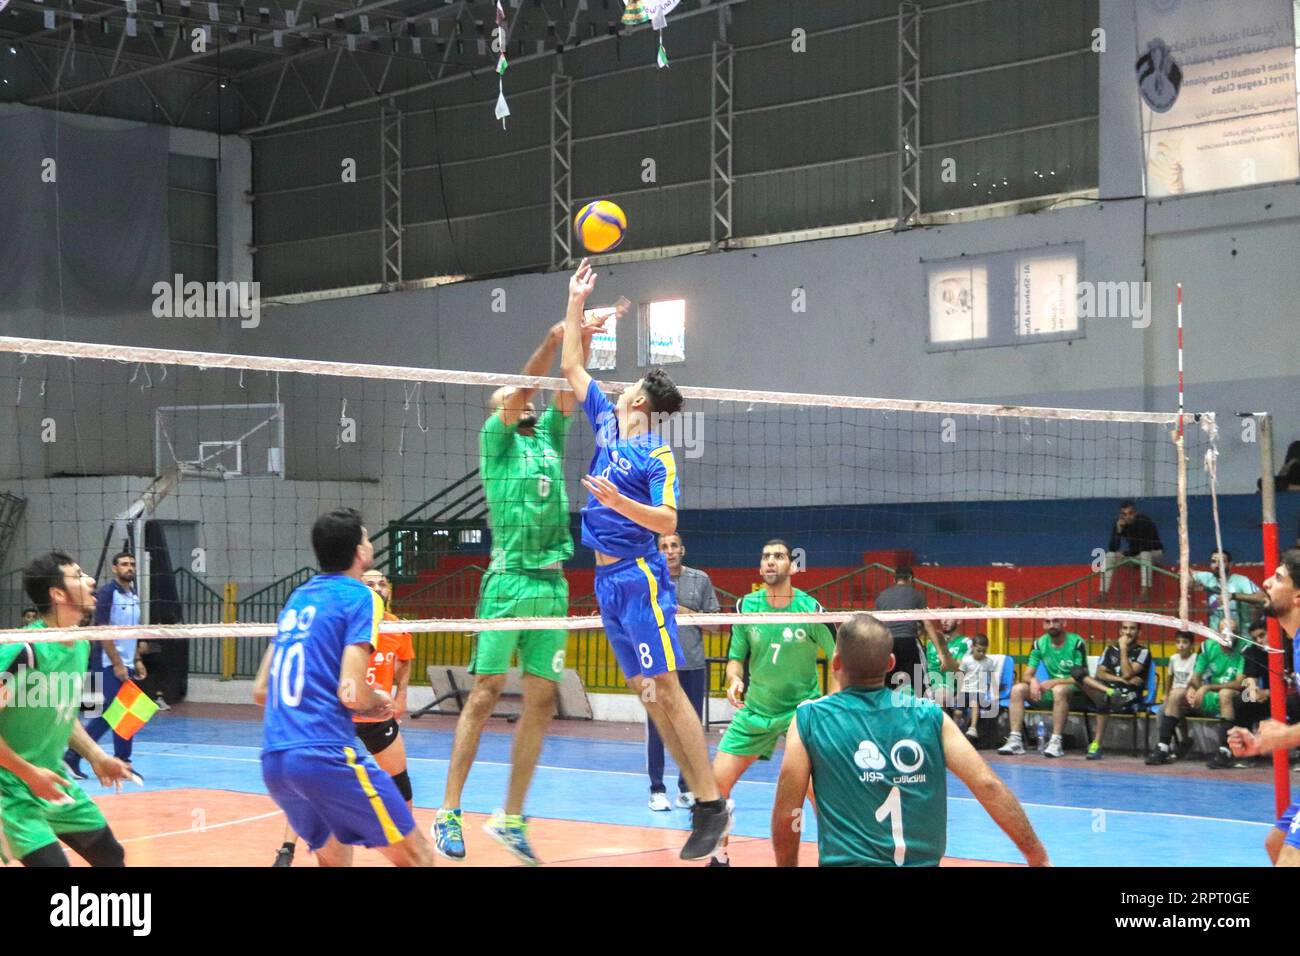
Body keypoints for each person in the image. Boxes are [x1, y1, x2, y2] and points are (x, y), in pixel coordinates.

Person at [558, 258, 731, 861]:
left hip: (639, 578)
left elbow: (668, 523)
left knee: (666, 685)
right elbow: (571, 364)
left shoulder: (657, 456)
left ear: (639, 395)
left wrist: (616, 503)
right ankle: (694, 796)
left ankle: (710, 805)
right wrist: (576, 300)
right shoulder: (603, 419)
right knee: (648, 694)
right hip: (603, 583)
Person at [433, 311, 608, 865]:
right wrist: (552, 336)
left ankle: (510, 818)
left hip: (553, 587)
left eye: (525, 399)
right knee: (483, 696)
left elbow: (563, 389)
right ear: (503, 412)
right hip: (507, 583)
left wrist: (578, 336)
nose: (525, 402)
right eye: (514, 399)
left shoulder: (550, 437)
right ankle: (450, 810)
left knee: (540, 701)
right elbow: (531, 384)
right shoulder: (496, 441)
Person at [770, 613, 1049, 867]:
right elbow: (988, 785)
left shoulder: (809, 718)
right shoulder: (930, 716)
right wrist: (1038, 856)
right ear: (891, 664)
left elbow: (787, 814)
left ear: (836, 662)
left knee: (812, 780)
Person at [255, 509, 433, 867]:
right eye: (366, 538)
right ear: (360, 553)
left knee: (335, 860)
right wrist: (378, 700)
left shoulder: (299, 597)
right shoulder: (360, 597)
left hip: (275, 760)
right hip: (322, 755)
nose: (369, 545)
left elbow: (261, 689)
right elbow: (351, 691)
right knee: (420, 857)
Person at [271, 568, 415, 868]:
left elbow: (405, 661)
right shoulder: (347, 622)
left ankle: (407, 843)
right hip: (342, 717)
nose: (377, 587)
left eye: (382, 583)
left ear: (389, 590)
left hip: (376, 718)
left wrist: (400, 695)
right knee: (312, 789)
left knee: (400, 781)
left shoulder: (396, 627)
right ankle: (286, 849)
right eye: (369, 583)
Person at [0, 551, 134, 867]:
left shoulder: (82, 644)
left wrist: (97, 756)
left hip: (52, 780)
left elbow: (64, 713)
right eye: (77, 576)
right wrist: (29, 774)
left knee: (110, 855)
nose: (90, 581)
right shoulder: (23, 650)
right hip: (9, 790)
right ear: (58, 594)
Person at [709, 539, 837, 866]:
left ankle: (837, 856)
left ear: (792, 567)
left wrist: (834, 704)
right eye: (765, 556)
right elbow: (736, 658)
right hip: (756, 712)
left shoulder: (811, 610)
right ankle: (719, 856)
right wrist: (734, 679)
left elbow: (839, 658)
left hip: (801, 715)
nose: (770, 562)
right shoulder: (745, 607)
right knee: (713, 787)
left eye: (778, 556)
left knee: (819, 795)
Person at [1226, 549, 1300, 865]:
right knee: (1276, 845)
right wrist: (1260, 742)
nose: (1267, 582)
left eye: (1279, 577)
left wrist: (1286, 737)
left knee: (1289, 858)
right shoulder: (1295, 644)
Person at [647, 532, 717, 811]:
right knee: (657, 728)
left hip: (692, 666)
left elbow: (715, 624)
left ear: (682, 550)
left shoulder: (700, 580)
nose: (669, 551)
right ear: (657, 552)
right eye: (663, 547)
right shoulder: (648, 579)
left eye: (673, 546)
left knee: (691, 730)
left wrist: (682, 610)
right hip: (658, 668)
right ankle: (656, 790)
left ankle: (687, 789)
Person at [65, 551, 147, 782]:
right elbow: (102, 630)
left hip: (127, 663)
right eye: (123, 564)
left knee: (127, 712)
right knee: (108, 712)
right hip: (106, 663)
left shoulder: (134, 594)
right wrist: (118, 664)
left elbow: (133, 629)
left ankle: (124, 762)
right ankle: (72, 756)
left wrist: (137, 659)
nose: (128, 567)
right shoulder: (107, 593)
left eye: (131, 564)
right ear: (114, 568)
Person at [1150, 625, 1246, 769]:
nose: (1227, 636)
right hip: (1209, 697)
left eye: (1232, 632)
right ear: (1217, 633)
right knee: (1176, 694)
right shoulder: (1208, 647)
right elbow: (1196, 676)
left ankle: (1224, 751)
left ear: (1237, 634)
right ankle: (1163, 747)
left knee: (1224, 693)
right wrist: (1191, 688)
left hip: (1232, 698)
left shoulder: (1244, 649)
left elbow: (1239, 684)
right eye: (1223, 632)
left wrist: (1207, 687)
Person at [998, 618, 1087, 758]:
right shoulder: (1039, 643)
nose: (1052, 625)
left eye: (1056, 621)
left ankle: (1056, 742)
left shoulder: (1076, 642)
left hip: (1075, 690)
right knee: (1018, 689)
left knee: (1059, 690)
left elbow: (1080, 677)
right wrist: (1033, 680)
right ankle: (1015, 740)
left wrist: (1054, 682)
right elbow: (1027, 674)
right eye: (1048, 622)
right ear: (1043, 624)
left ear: (1064, 623)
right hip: (1052, 690)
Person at [1082, 621, 1151, 760]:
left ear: (1139, 632)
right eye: (1125, 628)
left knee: (1103, 699)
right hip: (1108, 689)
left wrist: (1123, 648)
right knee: (1078, 673)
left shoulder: (1143, 652)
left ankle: (1096, 744)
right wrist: (1121, 680)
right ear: (1120, 631)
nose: (1128, 632)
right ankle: (1108, 693)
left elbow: (1126, 672)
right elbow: (1100, 673)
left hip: (1129, 694)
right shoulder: (1110, 649)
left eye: (1132, 628)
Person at [873, 565, 930, 695]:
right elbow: (927, 623)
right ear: (910, 578)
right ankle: (922, 713)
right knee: (920, 686)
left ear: (894, 579)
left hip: (887, 644)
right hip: (909, 642)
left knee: (887, 686)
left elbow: (876, 625)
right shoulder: (917, 595)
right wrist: (941, 653)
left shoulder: (881, 597)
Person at [1145, 630, 1198, 764]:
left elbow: (1197, 680)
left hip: (1189, 696)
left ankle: (1173, 743)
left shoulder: (1195, 659)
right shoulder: (1174, 658)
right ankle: (1169, 743)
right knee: (1162, 711)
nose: (1181, 645)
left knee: (1176, 704)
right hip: (1175, 696)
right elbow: (1170, 678)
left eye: (1185, 642)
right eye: (1178, 642)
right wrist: (1166, 694)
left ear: (1192, 644)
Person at [1192, 550, 1264, 636]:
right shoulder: (1207, 578)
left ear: (1230, 565)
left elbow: (1262, 598)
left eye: (1222, 562)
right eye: (1213, 562)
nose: (1217, 565)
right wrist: (1188, 579)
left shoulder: (1240, 581)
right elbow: (1187, 574)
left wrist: (1233, 596)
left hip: (1242, 639)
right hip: (1216, 640)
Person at [1101, 501, 1163, 599]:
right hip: (1135, 556)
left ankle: (1145, 591)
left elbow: (1146, 546)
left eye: (1130, 513)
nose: (1128, 517)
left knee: (1145, 554)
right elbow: (1113, 548)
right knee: (1109, 555)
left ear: (1136, 513)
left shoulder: (1145, 521)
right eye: (1124, 514)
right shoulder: (1120, 523)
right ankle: (1103, 592)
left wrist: (1125, 553)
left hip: (1155, 553)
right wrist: (1118, 531)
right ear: (1121, 515)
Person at [956, 634, 998, 742]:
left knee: (974, 702)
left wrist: (992, 691)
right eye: (979, 650)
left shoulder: (989, 662)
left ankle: (973, 727)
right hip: (965, 689)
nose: (981, 653)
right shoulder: (966, 660)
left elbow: (992, 678)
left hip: (979, 691)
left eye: (984, 651)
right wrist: (958, 692)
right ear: (972, 647)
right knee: (958, 712)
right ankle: (954, 729)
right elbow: (961, 675)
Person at [924, 617, 969, 711]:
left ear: (958, 620)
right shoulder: (931, 643)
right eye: (942, 618)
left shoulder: (964, 642)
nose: (944, 621)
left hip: (951, 683)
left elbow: (958, 669)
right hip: (929, 683)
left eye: (949, 618)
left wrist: (944, 649)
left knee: (941, 696)